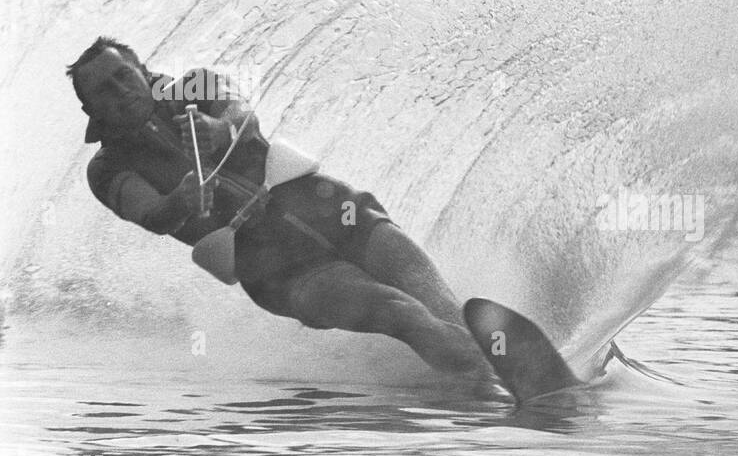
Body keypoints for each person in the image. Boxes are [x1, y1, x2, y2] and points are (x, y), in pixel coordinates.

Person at [67, 36, 488, 378]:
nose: (120, 91)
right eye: (104, 89)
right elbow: (153, 215)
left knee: (440, 303)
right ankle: (486, 382)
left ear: (143, 71)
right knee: (403, 314)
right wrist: (180, 201)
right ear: (90, 110)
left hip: (332, 210)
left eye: (123, 75)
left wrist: (221, 129)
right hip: (280, 272)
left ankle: (491, 371)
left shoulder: (198, 85)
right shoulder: (107, 169)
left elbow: (242, 114)